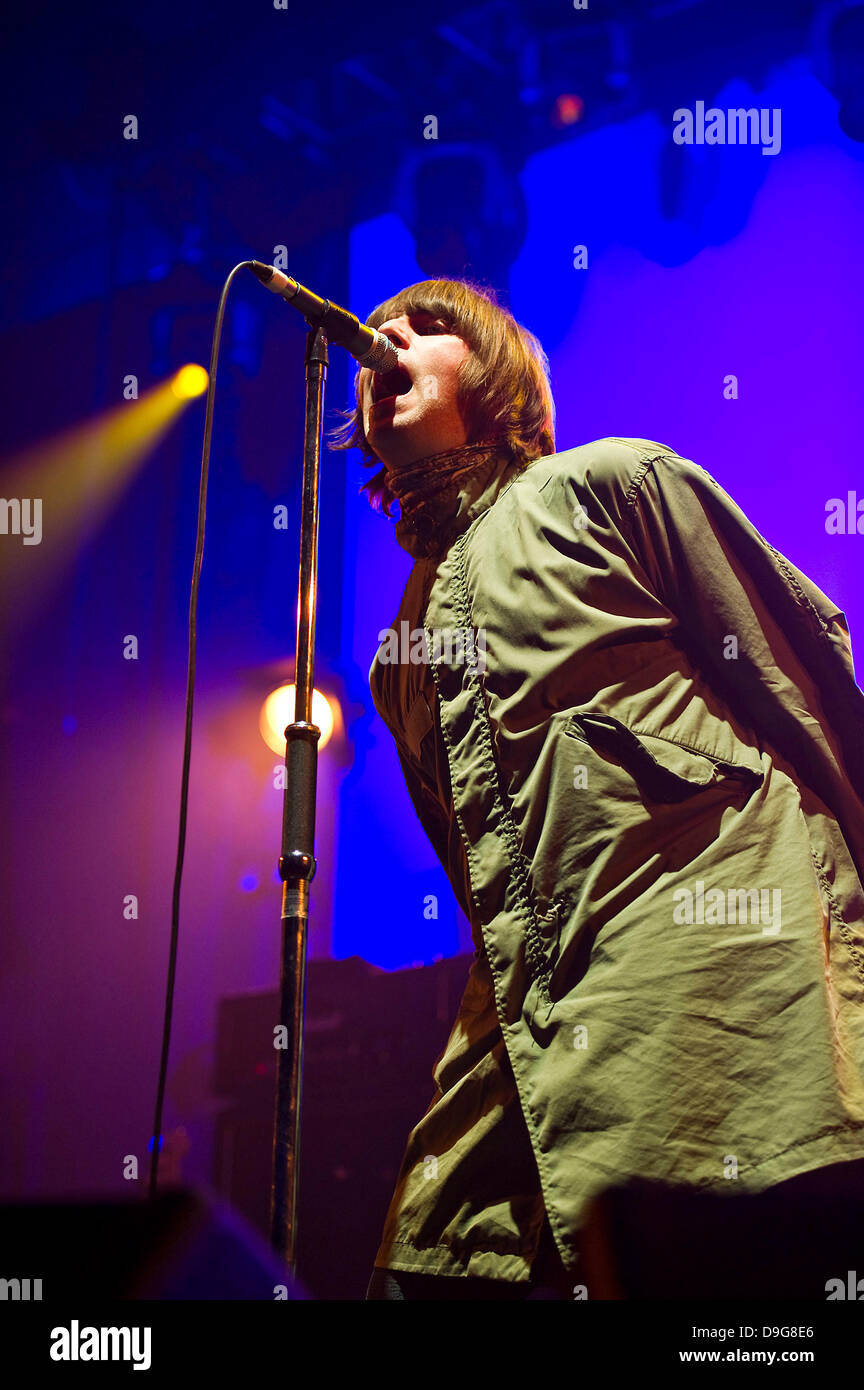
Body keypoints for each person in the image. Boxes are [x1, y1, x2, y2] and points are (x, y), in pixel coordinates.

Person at [330, 278, 864, 1300]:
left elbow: (800, 672)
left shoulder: (609, 484)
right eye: (377, 330)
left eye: (427, 325)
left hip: (696, 961)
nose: (385, 337)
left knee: (705, 1256)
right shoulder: (400, 654)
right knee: (426, 1259)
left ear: (495, 371)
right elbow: (475, 875)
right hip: (523, 1011)